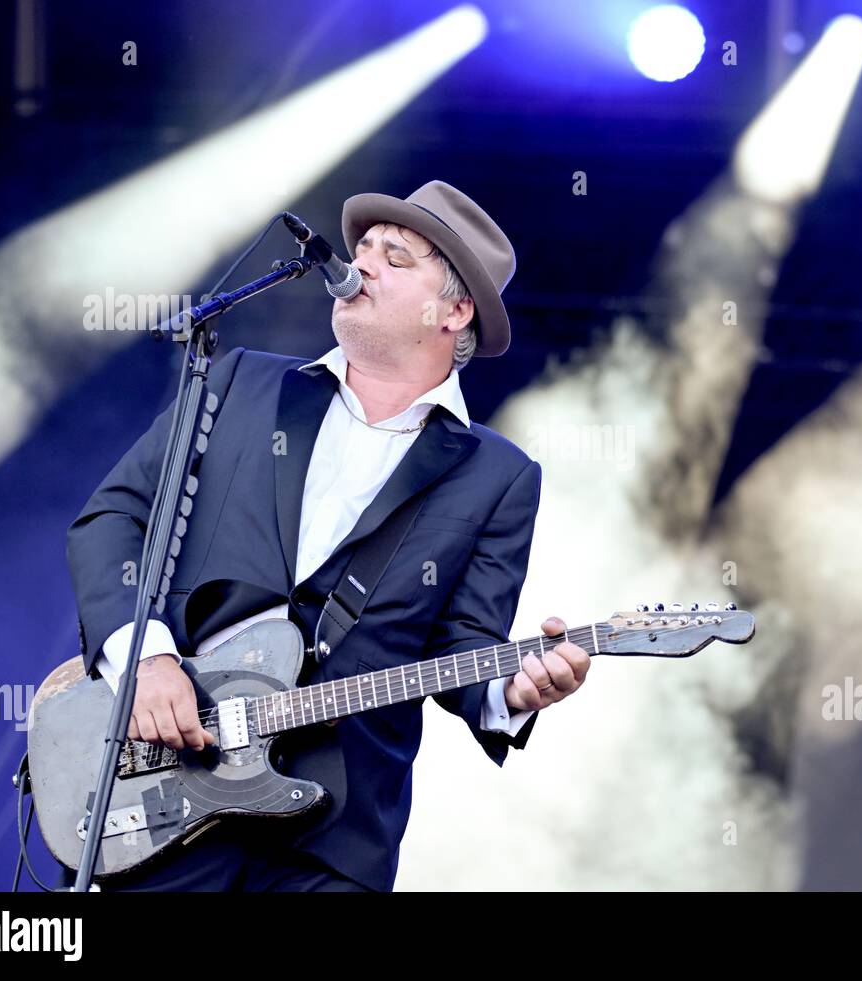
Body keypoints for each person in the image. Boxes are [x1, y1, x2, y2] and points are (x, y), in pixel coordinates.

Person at [62, 181, 589, 891]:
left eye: (396, 257)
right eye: (362, 246)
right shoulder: (239, 382)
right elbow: (113, 518)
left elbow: (464, 642)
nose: (362, 262)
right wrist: (146, 661)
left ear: (453, 310)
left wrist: (514, 691)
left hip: (333, 843)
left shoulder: (497, 475)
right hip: (172, 792)